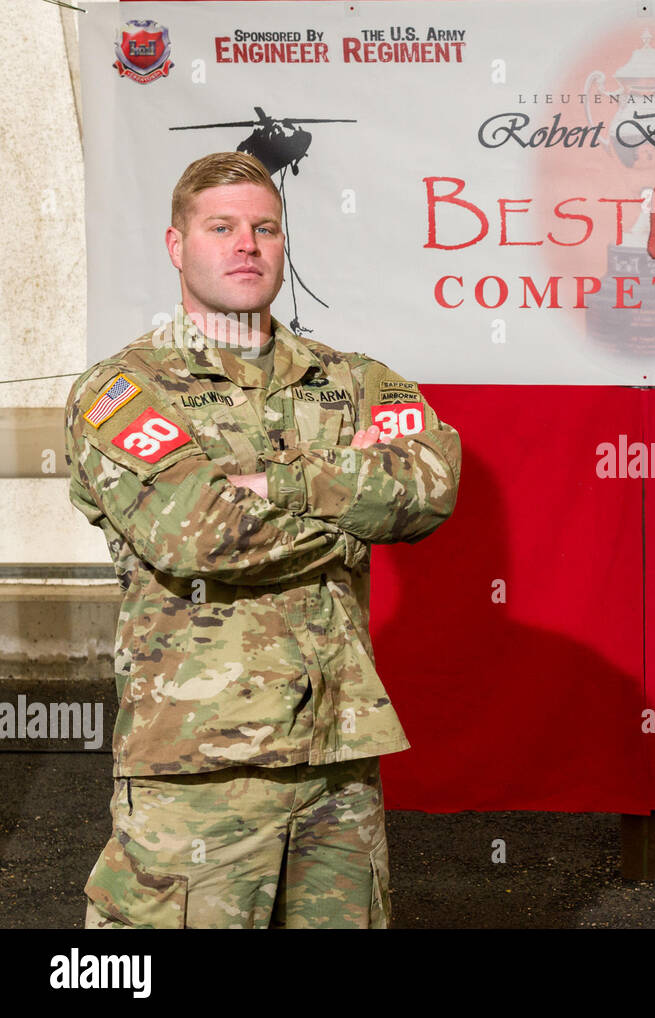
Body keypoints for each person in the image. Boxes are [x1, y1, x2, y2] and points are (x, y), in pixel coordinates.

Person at [65, 151, 461, 928]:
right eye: (222, 227)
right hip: (202, 771)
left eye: (265, 228)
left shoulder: (352, 380)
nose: (247, 244)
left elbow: (430, 488)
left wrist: (274, 484)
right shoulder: (124, 389)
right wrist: (353, 507)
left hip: (337, 761)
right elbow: (196, 533)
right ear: (178, 246)